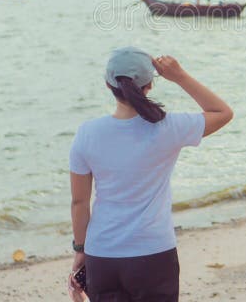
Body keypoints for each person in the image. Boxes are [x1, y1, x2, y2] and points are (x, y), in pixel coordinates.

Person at [68, 46, 233, 301]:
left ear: (107, 85)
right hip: (153, 254)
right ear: (150, 86)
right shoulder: (168, 127)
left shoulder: (87, 133)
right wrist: (179, 76)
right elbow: (223, 113)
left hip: (102, 255)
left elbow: (79, 203)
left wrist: (80, 250)